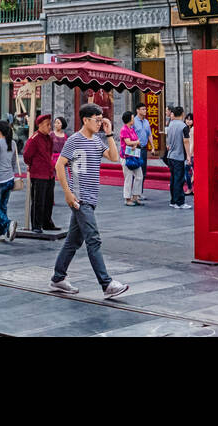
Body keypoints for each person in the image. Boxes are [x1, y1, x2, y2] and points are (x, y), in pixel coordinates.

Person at [50, 103, 129, 300]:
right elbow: (60, 166)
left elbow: (113, 157)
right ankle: (107, 283)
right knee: (93, 239)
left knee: (73, 241)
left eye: (101, 120)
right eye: (97, 120)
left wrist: (110, 135)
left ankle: (58, 278)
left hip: (91, 197)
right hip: (80, 198)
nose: (100, 123)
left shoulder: (96, 141)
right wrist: (68, 193)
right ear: (85, 120)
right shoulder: (74, 140)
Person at [22, 114, 59, 232]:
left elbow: (49, 155)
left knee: (48, 200)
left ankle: (47, 223)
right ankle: (36, 225)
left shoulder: (49, 138)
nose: (50, 127)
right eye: (47, 125)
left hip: (49, 173)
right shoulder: (34, 138)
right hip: (38, 174)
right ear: (40, 125)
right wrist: (32, 166)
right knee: (38, 201)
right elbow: (26, 155)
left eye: (50, 124)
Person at [0, 120, 18, 242]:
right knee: (3, 206)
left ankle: (8, 223)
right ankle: (1, 233)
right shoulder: (13, 143)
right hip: (10, 178)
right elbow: (14, 162)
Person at [165, 106, 190, 209]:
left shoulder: (170, 124)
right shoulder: (183, 126)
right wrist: (188, 155)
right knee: (179, 179)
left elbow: (168, 141)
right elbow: (186, 141)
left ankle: (173, 200)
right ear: (182, 114)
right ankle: (179, 202)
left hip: (170, 156)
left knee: (173, 179)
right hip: (179, 156)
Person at [119, 111, 144, 207]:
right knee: (128, 178)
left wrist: (135, 143)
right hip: (126, 157)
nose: (134, 119)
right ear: (129, 119)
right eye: (133, 118)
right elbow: (128, 142)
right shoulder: (124, 129)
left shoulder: (131, 129)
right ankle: (127, 198)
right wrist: (135, 142)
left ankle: (135, 196)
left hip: (134, 155)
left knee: (139, 176)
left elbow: (134, 142)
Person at [133, 103, 152, 198]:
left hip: (144, 149)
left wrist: (152, 146)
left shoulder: (146, 122)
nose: (145, 111)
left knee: (143, 171)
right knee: (135, 170)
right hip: (135, 149)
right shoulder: (133, 122)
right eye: (143, 109)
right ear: (138, 110)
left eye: (145, 109)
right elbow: (130, 134)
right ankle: (134, 192)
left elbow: (149, 134)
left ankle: (139, 192)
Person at [183, 111, 195, 196]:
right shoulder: (187, 129)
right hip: (189, 154)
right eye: (187, 119)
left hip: (192, 154)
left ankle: (190, 188)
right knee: (190, 171)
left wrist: (189, 155)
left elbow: (192, 143)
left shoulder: (193, 129)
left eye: (190, 120)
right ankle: (191, 188)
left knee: (187, 171)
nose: (188, 121)